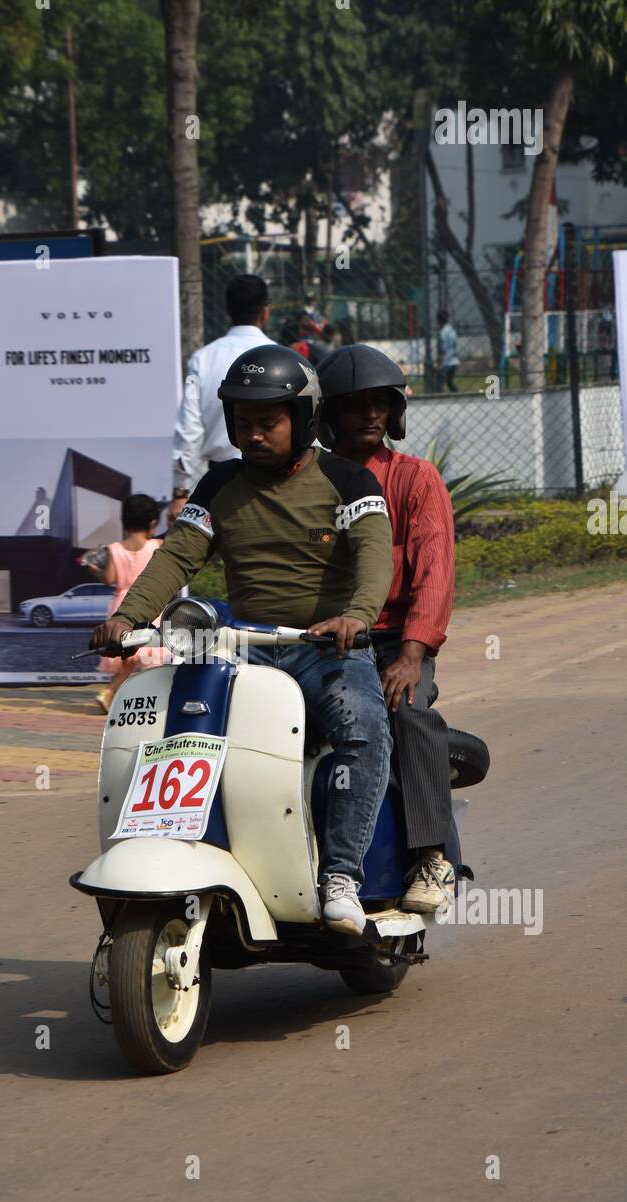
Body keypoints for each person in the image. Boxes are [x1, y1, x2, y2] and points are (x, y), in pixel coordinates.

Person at [92, 344, 394, 935]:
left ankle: (340, 876)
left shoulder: (347, 479)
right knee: (171, 728)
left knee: (361, 728)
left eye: (267, 423)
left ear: (304, 420)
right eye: (242, 423)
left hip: (324, 648)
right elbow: (176, 555)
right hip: (240, 648)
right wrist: (128, 619)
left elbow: (375, 554)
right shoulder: (218, 484)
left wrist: (356, 616)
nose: (252, 435)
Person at [317, 343, 455, 914]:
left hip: (397, 638)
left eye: (381, 404)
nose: (371, 415)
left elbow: (435, 573)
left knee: (410, 711)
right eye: (356, 405)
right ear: (329, 414)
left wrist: (414, 654)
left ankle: (431, 857)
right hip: (326, 641)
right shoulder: (310, 483)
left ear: (394, 412)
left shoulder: (416, 480)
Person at [172, 273, 273, 490]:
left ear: (227, 310)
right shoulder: (280, 357)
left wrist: (180, 488)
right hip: (274, 476)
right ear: (265, 311)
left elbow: (189, 428)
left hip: (221, 480)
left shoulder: (202, 359)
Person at [85, 493, 169, 715]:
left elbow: (110, 578)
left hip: (121, 606)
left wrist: (95, 569)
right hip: (150, 603)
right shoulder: (157, 546)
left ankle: (112, 693)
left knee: (128, 657)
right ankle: (119, 695)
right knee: (147, 656)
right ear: (152, 522)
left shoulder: (114, 548)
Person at [436, 309, 459, 392]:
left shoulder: (442, 332)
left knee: (439, 383)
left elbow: (442, 349)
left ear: (439, 320)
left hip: (445, 362)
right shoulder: (451, 330)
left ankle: (440, 397)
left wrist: (439, 363)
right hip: (454, 360)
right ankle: (457, 394)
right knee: (449, 381)